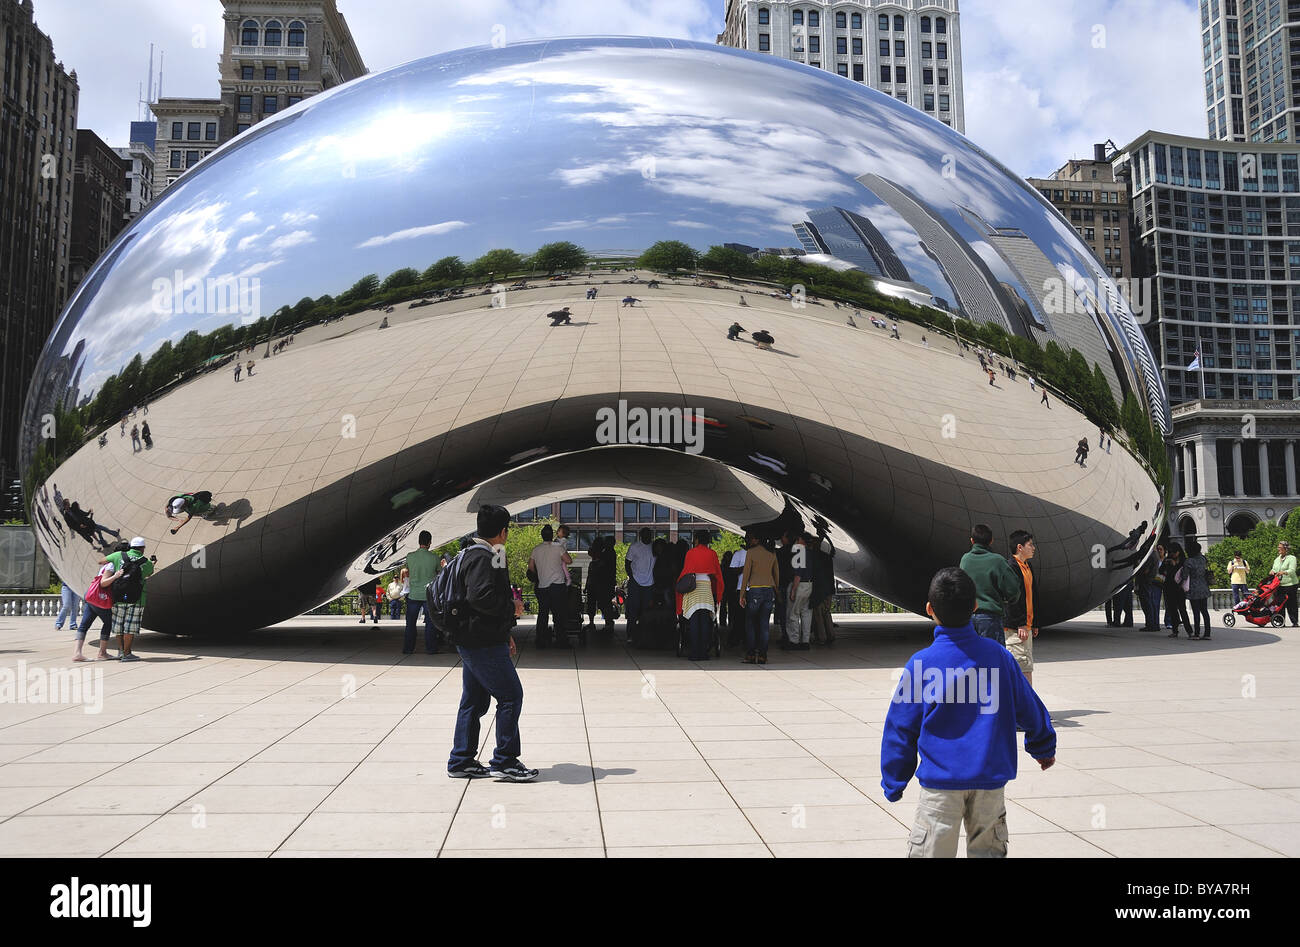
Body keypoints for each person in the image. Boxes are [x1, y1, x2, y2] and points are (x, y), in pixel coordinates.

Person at [880, 567, 1056, 858]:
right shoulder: (999, 657)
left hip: (939, 786)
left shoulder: (920, 664)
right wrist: (1042, 745)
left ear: (929, 609)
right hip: (989, 782)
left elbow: (900, 727)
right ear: (975, 607)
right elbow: (1029, 707)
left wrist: (894, 779)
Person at [446, 504, 537, 781]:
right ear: (503, 531)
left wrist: (505, 632)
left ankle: (461, 760)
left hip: (475, 637)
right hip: (481, 641)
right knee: (511, 695)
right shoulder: (485, 557)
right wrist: (513, 607)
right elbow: (481, 597)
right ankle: (505, 760)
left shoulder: (471, 553)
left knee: (473, 700)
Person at [959, 524, 1021, 643]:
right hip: (990, 618)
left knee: (972, 657)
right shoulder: (997, 561)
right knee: (992, 658)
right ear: (991, 540)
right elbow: (1013, 590)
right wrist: (1007, 600)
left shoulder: (965, 560)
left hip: (968, 618)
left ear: (972, 541)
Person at [100, 537, 155, 662]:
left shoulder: (119, 555)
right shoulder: (146, 562)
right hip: (136, 599)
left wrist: (115, 565)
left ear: (131, 546)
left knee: (119, 626)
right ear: (142, 548)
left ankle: (121, 651)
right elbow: (148, 573)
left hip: (118, 596)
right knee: (130, 627)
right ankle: (127, 653)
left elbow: (101, 561)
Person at [676, 530, 724, 660]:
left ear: (697, 540)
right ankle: (704, 653)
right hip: (706, 589)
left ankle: (694, 652)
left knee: (693, 622)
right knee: (705, 621)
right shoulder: (712, 553)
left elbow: (686, 571)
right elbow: (717, 574)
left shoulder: (691, 553)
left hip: (693, 588)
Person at [1002, 530, 1041, 686]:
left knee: (1026, 666)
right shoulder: (1010, 566)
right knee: (1022, 669)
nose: (1033, 548)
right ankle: (1026, 707)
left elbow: (1033, 595)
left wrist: (1035, 622)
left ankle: (1025, 705)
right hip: (1017, 628)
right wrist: (1020, 623)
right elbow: (1011, 599)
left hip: (1027, 626)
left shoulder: (1027, 566)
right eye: (1030, 545)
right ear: (1019, 547)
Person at [529, 524, 572, 648]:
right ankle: (561, 640)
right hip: (558, 585)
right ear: (551, 535)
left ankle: (540, 640)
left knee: (543, 614)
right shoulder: (558, 547)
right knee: (559, 615)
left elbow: (531, 567)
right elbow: (569, 560)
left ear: (542, 536)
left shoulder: (536, 549)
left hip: (542, 586)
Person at [740, 532, 779, 664]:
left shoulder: (751, 552)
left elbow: (746, 574)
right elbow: (776, 574)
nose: (750, 541)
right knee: (764, 624)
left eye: (751, 539)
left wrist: (742, 594)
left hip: (755, 589)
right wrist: (776, 590)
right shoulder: (772, 552)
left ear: (757, 540)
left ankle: (750, 654)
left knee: (750, 623)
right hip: (769, 590)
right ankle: (763, 655)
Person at [404, 531, 440, 654]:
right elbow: (440, 573)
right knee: (430, 623)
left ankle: (408, 649)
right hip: (428, 595)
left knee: (410, 623)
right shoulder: (434, 558)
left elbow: (407, 571)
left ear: (419, 541)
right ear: (429, 542)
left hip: (413, 594)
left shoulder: (410, 556)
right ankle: (431, 649)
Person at [624, 527, 656, 641]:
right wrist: (631, 577)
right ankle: (631, 634)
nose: (648, 537)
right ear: (641, 536)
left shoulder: (654, 547)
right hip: (636, 582)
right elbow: (627, 563)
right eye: (645, 535)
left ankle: (644, 634)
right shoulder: (634, 547)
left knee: (646, 610)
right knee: (633, 609)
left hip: (650, 582)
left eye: (649, 535)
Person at [784, 532, 815, 650]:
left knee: (793, 613)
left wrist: (793, 589)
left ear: (801, 540)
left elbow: (798, 573)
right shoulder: (810, 553)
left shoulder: (800, 552)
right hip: (809, 584)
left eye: (798, 539)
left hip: (800, 585)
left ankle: (794, 640)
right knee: (806, 613)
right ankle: (805, 641)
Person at [1161, 542, 1193, 638]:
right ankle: (1174, 630)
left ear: (1179, 552)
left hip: (1179, 588)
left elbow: (1185, 575)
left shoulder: (1184, 561)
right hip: (1168, 587)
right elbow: (1160, 571)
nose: (1172, 554)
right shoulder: (1167, 559)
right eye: (1170, 552)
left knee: (1182, 610)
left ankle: (1189, 631)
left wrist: (1175, 565)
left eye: (1174, 552)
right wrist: (1166, 564)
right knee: (1172, 610)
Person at [809, 537, 836, 645]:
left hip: (818, 588)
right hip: (829, 588)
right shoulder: (827, 557)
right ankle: (831, 635)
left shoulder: (812, 557)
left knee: (818, 614)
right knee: (826, 612)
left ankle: (821, 637)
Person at [1184, 541, 1212, 640]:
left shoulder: (1189, 561)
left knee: (1196, 612)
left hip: (1194, 588)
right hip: (1204, 586)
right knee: (1204, 611)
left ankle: (1197, 633)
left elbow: (1184, 576)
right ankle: (1207, 633)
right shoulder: (1203, 559)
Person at [1271, 540, 1299, 627]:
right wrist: (1272, 571)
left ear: (1285, 548)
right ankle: (1280, 622)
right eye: (1278, 547)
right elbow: (1274, 569)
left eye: (1280, 547)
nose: (1278, 549)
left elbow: (1292, 570)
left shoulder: (1292, 558)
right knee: (1279, 604)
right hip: (1279, 585)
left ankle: (1294, 622)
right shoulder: (1277, 559)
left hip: (1291, 584)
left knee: (1291, 603)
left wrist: (1283, 572)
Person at [725, 541, 747, 647]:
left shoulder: (758, 553)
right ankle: (737, 638)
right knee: (739, 617)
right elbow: (732, 571)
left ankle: (745, 639)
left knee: (750, 618)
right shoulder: (739, 554)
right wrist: (745, 567)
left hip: (754, 589)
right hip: (740, 588)